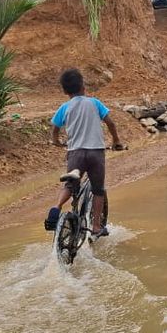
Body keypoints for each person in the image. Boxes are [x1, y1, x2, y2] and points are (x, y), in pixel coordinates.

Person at [45, 68, 123, 237]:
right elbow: (111, 124)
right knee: (98, 189)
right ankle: (96, 227)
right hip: (96, 153)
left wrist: (56, 142)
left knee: (70, 184)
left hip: (75, 153)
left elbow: (55, 129)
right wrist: (116, 141)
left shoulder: (65, 107)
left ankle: (56, 207)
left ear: (65, 91)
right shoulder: (95, 103)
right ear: (83, 86)